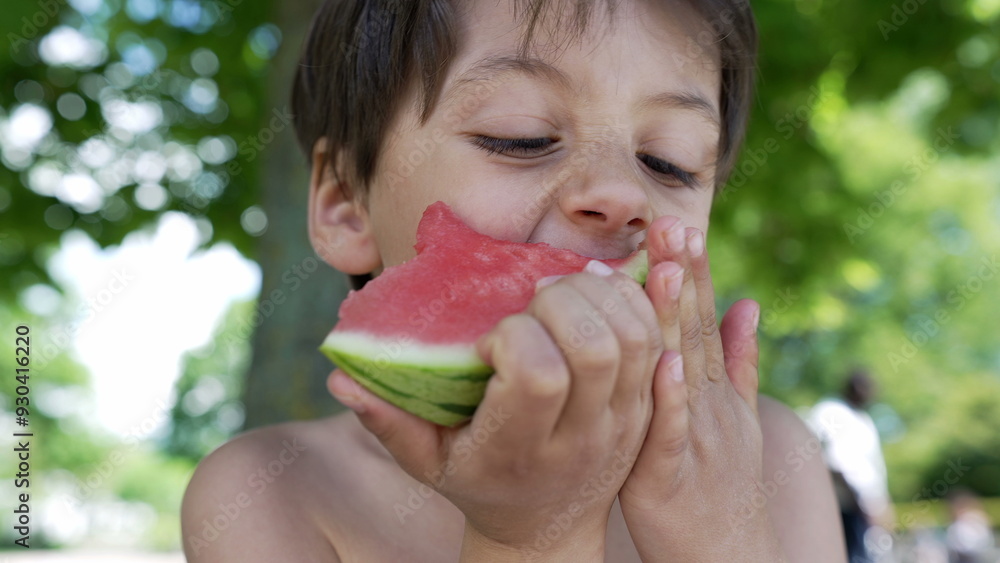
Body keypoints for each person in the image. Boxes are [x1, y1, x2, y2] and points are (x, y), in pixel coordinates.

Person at [181, 1, 847, 560]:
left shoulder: (772, 459)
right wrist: (529, 538)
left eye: (666, 161)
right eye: (519, 137)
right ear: (344, 203)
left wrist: (723, 541)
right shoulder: (272, 491)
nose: (621, 192)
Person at [809, 370, 893, 563]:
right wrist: (857, 500)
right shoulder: (831, 411)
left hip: (863, 508)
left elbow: (873, 470)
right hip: (843, 504)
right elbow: (833, 462)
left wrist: (880, 504)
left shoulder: (864, 420)